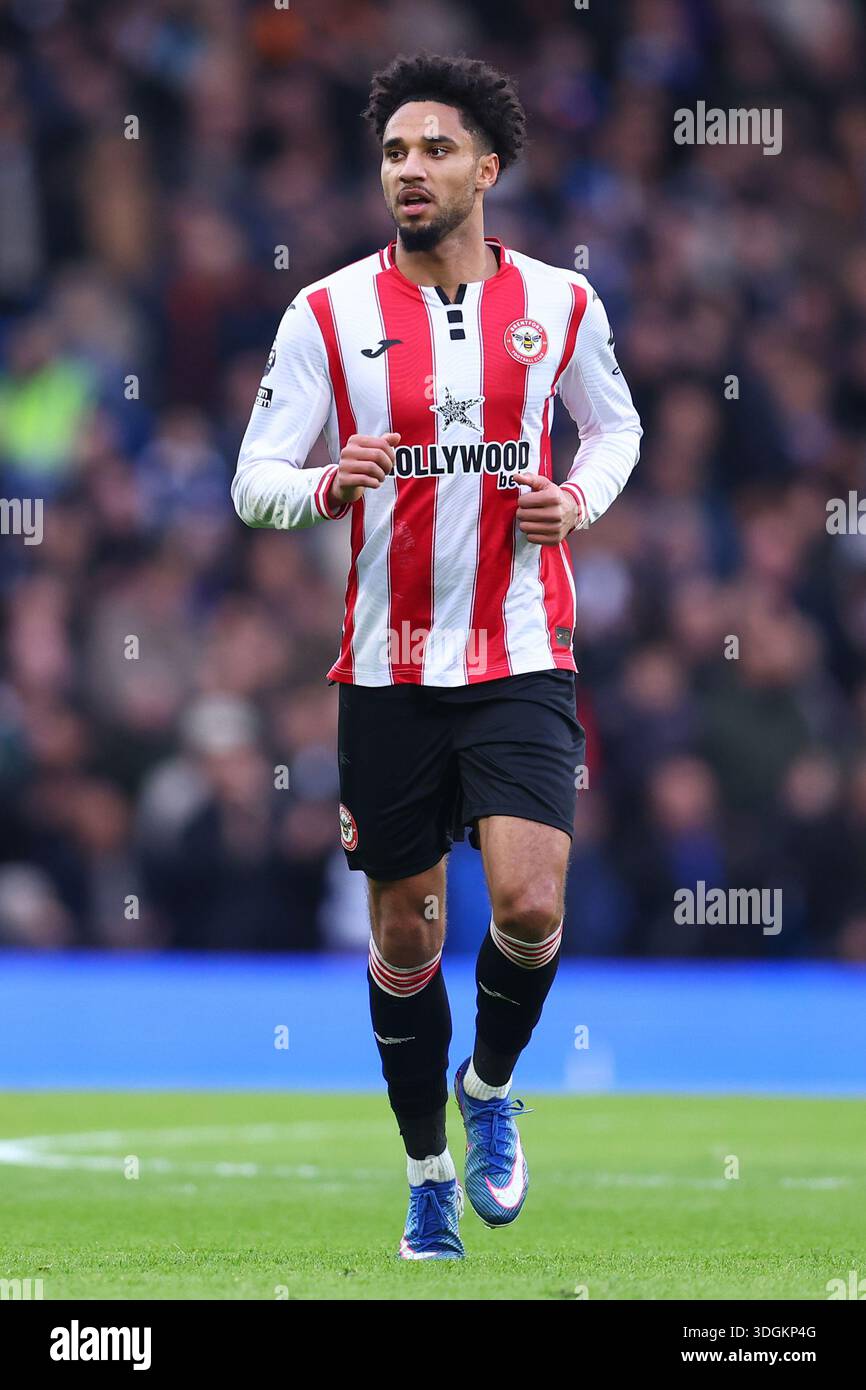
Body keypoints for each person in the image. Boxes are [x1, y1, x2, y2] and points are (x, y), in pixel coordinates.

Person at [232, 52, 642, 1260]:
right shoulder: (324, 313)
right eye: (394, 153)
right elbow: (251, 479)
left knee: (526, 900)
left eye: (434, 151)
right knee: (407, 934)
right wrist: (319, 485)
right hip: (386, 667)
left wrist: (575, 500)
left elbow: (615, 427)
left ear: (487, 169)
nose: (409, 170)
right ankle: (424, 1175)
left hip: (519, 651)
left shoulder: (561, 304)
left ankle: (493, 1086)